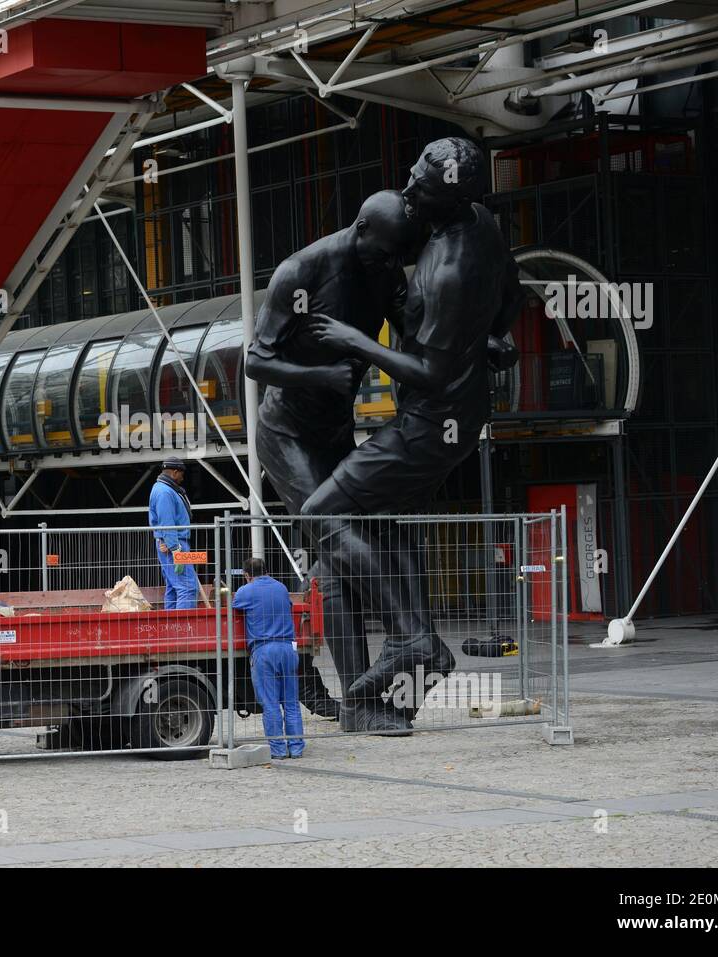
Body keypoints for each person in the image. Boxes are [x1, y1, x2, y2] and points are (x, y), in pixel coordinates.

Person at [300, 137, 524, 733]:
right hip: (450, 417)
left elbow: (431, 372)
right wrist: (491, 337)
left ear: (449, 200)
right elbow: (514, 296)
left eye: (419, 188)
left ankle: (413, 640)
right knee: (377, 523)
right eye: (411, 173)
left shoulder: (449, 270)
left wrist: (357, 343)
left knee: (319, 516)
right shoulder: (480, 223)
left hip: (429, 428)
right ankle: (389, 701)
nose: (408, 190)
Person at [247, 190, 417, 728]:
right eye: (382, 253)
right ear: (360, 229)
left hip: (337, 433)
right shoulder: (301, 271)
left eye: (397, 257)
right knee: (336, 534)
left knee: (332, 566)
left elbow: (416, 330)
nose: (389, 265)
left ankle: (353, 699)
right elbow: (256, 359)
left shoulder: (386, 271)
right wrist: (318, 375)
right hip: (287, 433)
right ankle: (401, 644)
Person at [232, 557, 304, 759]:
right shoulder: (281, 587)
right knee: (291, 702)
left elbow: (234, 606)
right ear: (266, 570)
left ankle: (278, 750)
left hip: (264, 650)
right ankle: (297, 748)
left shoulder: (246, 591)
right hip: (288, 649)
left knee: (270, 703)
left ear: (247, 575)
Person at [148, 456, 199, 609]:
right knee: (188, 587)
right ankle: (183, 630)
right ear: (175, 472)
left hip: (172, 543)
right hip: (176, 545)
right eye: (182, 474)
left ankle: (171, 630)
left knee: (173, 588)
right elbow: (166, 522)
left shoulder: (163, 489)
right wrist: (174, 548)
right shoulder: (165, 492)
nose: (182, 478)